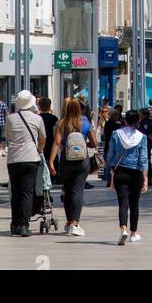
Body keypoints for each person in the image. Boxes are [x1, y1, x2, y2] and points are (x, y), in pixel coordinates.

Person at [49, 96, 97, 236]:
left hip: (66, 160)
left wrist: (51, 161)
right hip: (82, 160)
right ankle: (75, 224)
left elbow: (57, 142)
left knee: (68, 190)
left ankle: (69, 222)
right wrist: (83, 144)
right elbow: (94, 143)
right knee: (78, 190)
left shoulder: (61, 123)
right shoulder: (85, 122)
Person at [4, 90, 46, 237]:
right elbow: (42, 138)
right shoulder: (37, 119)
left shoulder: (10, 118)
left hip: (13, 159)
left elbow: (8, 137)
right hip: (30, 158)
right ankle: (23, 224)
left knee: (15, 192)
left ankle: (15, 223)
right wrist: (40, 149)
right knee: (27, 191)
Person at [107, 108, 149, 244]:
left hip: (120, 172)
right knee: (134, 204)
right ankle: (133, 233)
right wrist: (145, 178)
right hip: (136, 173)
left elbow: (110, 155)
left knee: (123, 202)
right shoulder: (142, 137)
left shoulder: (116, 134)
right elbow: (143, 158)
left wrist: (111, 170)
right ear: (137, 121)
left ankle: (123, 229)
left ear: (125, 120)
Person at [102, 103, 124, 182]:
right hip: (113, 146)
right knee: (111, 163)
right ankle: (110, 179)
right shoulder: (115, 124)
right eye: (117, 114)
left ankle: (108, 179)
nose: (119, 115)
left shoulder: (109, 123)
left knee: (108, 163)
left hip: (109, 146)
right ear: (114, 115)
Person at [36, 97, 58, 164]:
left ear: (39, 106)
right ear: (49, 106)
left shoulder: (36, 118)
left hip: (39, 147)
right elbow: (56, 134)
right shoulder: (54, 118)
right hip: (51, 147)